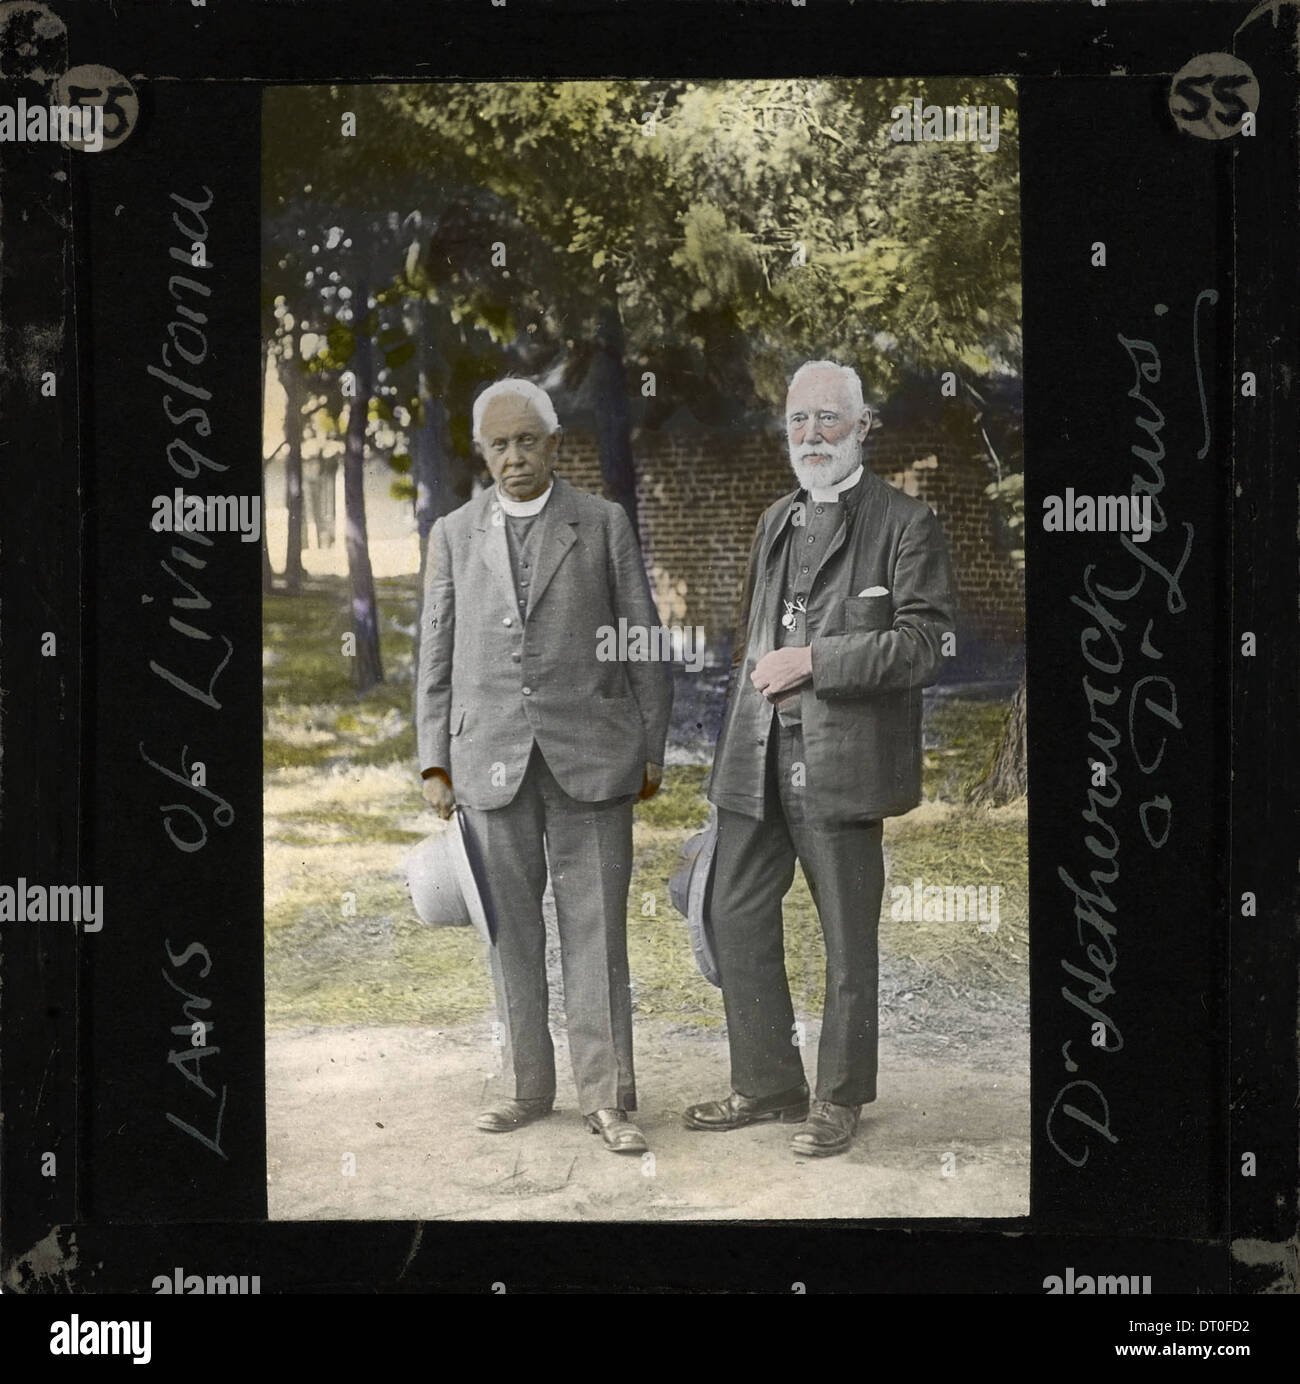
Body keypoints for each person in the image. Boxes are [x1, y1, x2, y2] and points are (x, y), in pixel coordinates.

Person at [684, 360, 956, 1158]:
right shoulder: (776, 519)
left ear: (863, 428)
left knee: (847, 939)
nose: (812, 436)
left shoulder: (906, 523)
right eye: (799, 421)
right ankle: (768, 1083)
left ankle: (839, 1099)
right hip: (758, 757)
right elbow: (752, 645)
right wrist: (727, 767)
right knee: (732, 913)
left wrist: (816, 662)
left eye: (829, 420)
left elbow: (925, 644)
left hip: (844, 764)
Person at [416, 378, 671, 1153]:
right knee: (509, 933)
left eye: (528, 440)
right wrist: (434, 759)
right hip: (486, 757)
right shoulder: (454, 535)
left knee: (595, 932)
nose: (514, 457)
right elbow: (435, 651)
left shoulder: (601, 524)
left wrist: (649, 748)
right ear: (482, 452)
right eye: (499, 444)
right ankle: (528, 1086)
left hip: (592, 760)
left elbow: (644, 642)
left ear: (555, 444)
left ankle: (607, 1099)